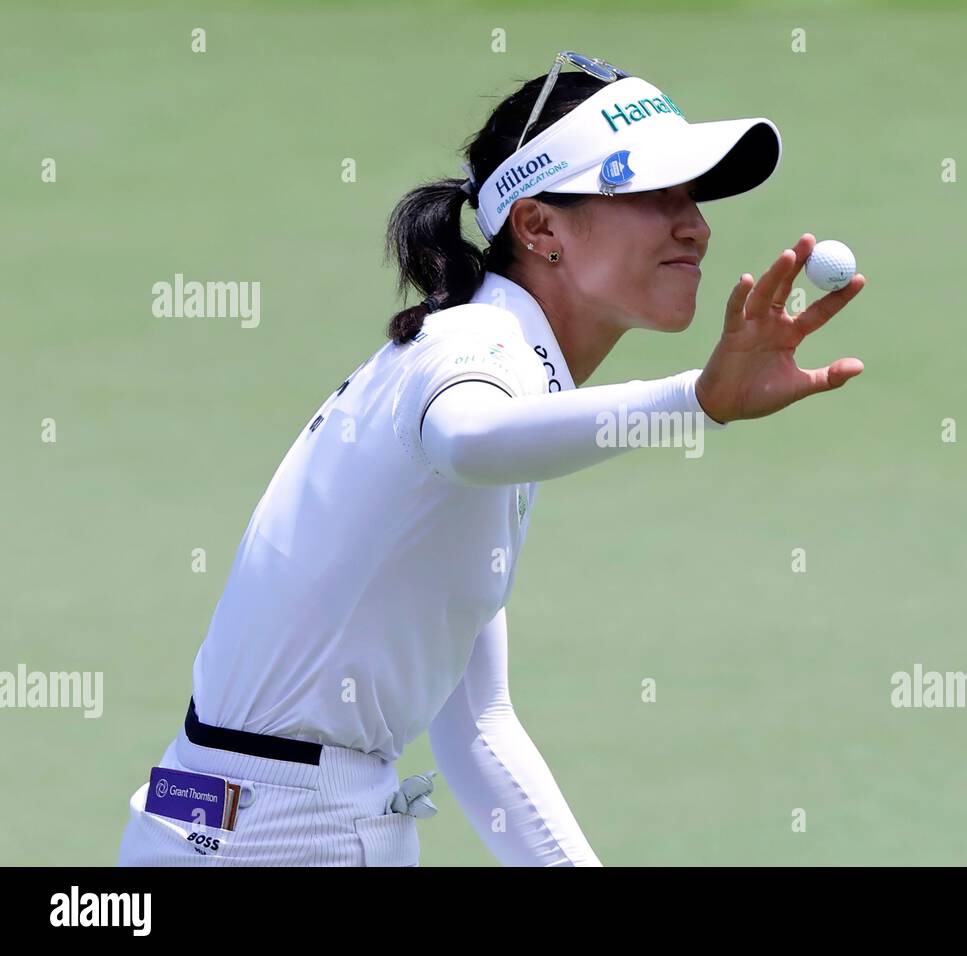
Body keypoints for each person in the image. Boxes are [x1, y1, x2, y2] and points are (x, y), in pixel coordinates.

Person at [116, 52, 865, 867]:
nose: (696, 225)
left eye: (692, 197)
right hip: (274, 839)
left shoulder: (498, 357)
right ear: (539, 226)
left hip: (226, 817)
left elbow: (475, 727)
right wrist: (695, 402)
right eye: (654, 194)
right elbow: (465, 438)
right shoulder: (477, 352)